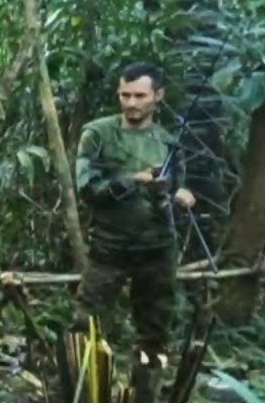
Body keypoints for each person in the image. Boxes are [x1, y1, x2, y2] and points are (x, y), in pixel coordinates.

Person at [74, 62, 196, 360]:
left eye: (140, 96)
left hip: (157, 247)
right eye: (125, 95)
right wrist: (133, 180)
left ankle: (145, 401)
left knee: (155, 334)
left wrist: (180, 195)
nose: (131, 103)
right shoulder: (98, 134)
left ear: (158, 96)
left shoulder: (168, 143)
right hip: (109, 246)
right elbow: (87, 189)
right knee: (86, 326)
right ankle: (82, 397)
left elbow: (176, 188)